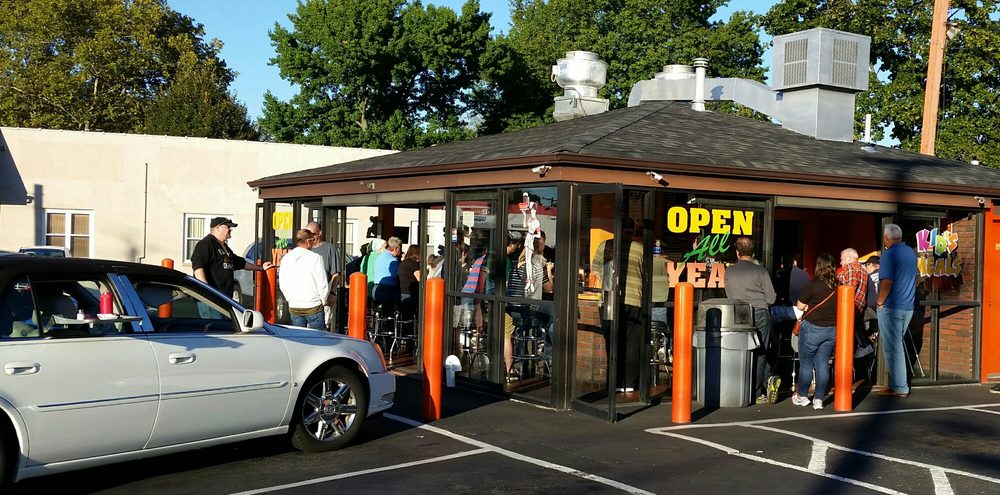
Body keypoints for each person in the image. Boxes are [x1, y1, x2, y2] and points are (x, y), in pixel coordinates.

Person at [724, 237, 778, 404]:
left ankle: (742, 388)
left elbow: (730, 296)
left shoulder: (730, 271)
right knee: (760, 351)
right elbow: (771, 297)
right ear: (752, 253)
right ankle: (757, 391)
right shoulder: (760, 271)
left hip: (740, 313)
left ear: (737, 252)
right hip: (761, 311)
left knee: (742, 351)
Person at [190, 217, 271, 318]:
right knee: (214, 329)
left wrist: (260, 267)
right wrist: (207, 291)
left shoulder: (224, 247)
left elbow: (239, 262)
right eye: (228, 227)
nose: (231, 229)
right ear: (218, 228)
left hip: (224, 298)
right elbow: (198, 267)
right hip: (211, 299)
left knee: (223, 329)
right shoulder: (205, 244)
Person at [792, 253, 840, 410]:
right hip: (832, 329)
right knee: (823, 364)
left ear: (818, 266)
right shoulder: (839, 286)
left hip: (812, 328)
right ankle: (819, 399)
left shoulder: (813, 285)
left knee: (806, 365)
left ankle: (803, 396)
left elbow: (799, 306)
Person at [876, 223, 917, 398]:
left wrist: (879, 302)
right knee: (897, 345)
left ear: (886, 238)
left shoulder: (888, 255)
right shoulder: (910, 253)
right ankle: (897, 384)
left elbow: (886, 282)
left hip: (891, 307)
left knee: (893, 348)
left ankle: (900, 386)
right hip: (908, 306)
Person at [278, 229, 329, 330]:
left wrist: (290, 299)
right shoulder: (316, 258)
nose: (314, 242)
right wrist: (323, 301)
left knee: (299, 340)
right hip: (313, 305)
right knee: (319, 340)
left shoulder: (286, 258)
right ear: (308, 241)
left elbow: (282, 282)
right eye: (312, 240)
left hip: (294, 305)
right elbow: (322, 282)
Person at [306, 221, 340, 330]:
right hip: (306, 297)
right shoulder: (305, 249)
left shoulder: (329, 249)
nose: (311, 237)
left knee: (321, 329)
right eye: (308, 234)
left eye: (313, 234)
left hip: (322, 297)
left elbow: (335, 274)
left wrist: (332, 293)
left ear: (319, 233)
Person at [839, 248, 872, 358]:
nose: (841, 262)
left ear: (848, 258)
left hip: (849, 307)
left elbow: (851, 285)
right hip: (858, 308)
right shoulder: (863, 270)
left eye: (842, 259)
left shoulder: (850, 266)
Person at [371, 237, 402, 310]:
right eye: (400, 248)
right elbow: (397, 276)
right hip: (387, 291)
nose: (401, 250)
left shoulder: (379, 256)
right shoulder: (393, 260)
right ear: (396, 248)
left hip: (375, 290)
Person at [397, 245, 422, 316]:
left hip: (402, 293)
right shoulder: (413, 263)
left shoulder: (404, 262)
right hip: (410, 294)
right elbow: (420, 278)